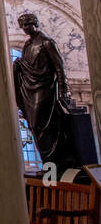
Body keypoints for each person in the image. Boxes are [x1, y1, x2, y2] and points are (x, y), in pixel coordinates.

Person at [13, 12, 82, 172]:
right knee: (34, 126)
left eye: (27, 24)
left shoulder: (47, 43)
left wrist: (64, 89)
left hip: (46, 90)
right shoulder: (28, 45)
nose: (25, 29)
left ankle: (57, 162)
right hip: (31, 90)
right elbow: (27, 65)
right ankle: (49, 163)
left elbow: (59, 67)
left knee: (45, 124)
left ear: (35, 23)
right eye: (23, 26)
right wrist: (18, 65)